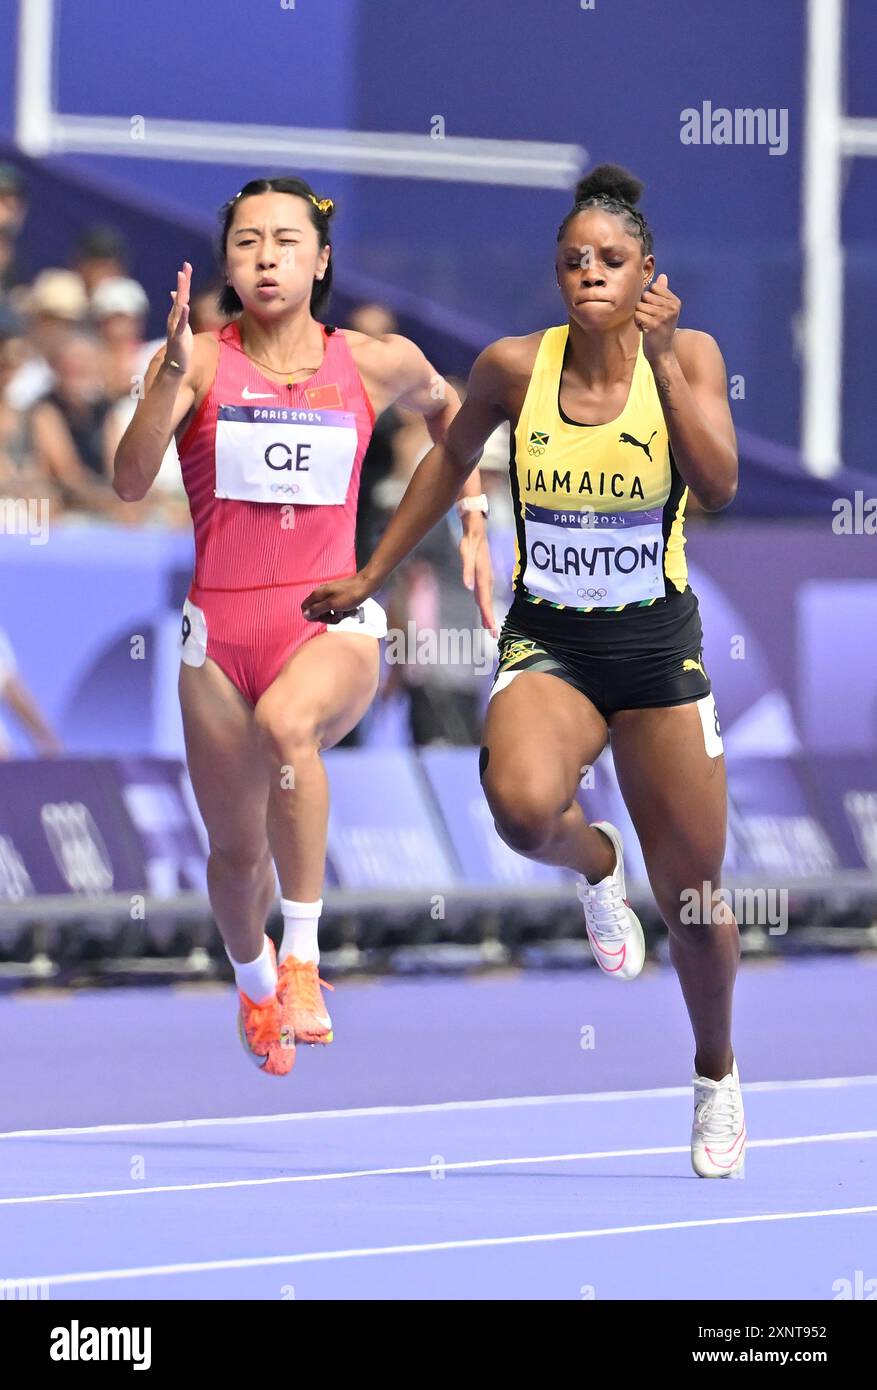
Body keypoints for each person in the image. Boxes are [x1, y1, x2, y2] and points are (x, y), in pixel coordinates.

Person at [302, 164, 744, 1179]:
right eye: (573, 261)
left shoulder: (690, 353)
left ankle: (715, 1073)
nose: (589, 274)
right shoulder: (511, 367)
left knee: (696, 901)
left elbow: (716, 483)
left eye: (611, 260)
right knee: (513, 803)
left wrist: (668, 361)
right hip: (551, 636)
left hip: (655, 648)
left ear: (647, 272)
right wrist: (369, 569)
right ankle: (595, 865)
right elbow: (446, 462)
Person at [113, 175, 493, 1076]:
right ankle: (251, 986)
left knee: (291, 728)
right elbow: (130, 482)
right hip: (218, 643)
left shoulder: (373, 360)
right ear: (227, 266)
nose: (266, 256)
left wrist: (472, 515)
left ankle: (303, 960)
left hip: (330, 617)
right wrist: (165, 376)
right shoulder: (199, 359)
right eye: (246, 243)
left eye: (286, 240)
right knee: (236, 858)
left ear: (320, 260)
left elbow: (452, 413)